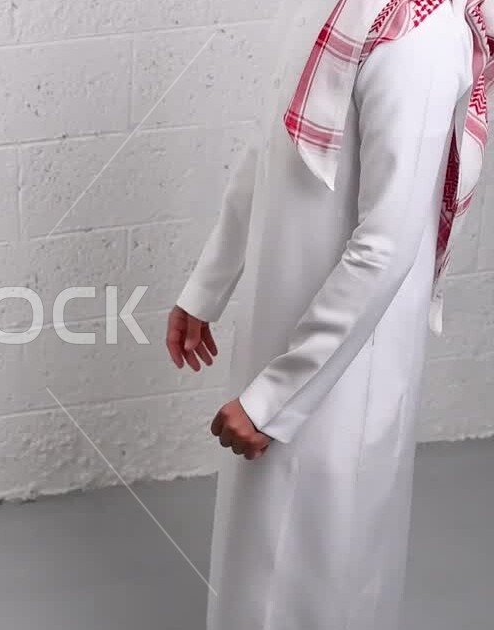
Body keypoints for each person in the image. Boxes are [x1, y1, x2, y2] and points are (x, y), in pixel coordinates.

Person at [167, 0, 492, 628]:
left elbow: (387, 245)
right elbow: (273, 152)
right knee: (259, 554)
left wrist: (274, 400)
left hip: (348, 365)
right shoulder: (332, 11)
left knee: (327, 564)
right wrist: (208, 286)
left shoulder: (419, 46)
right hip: (285, 329)